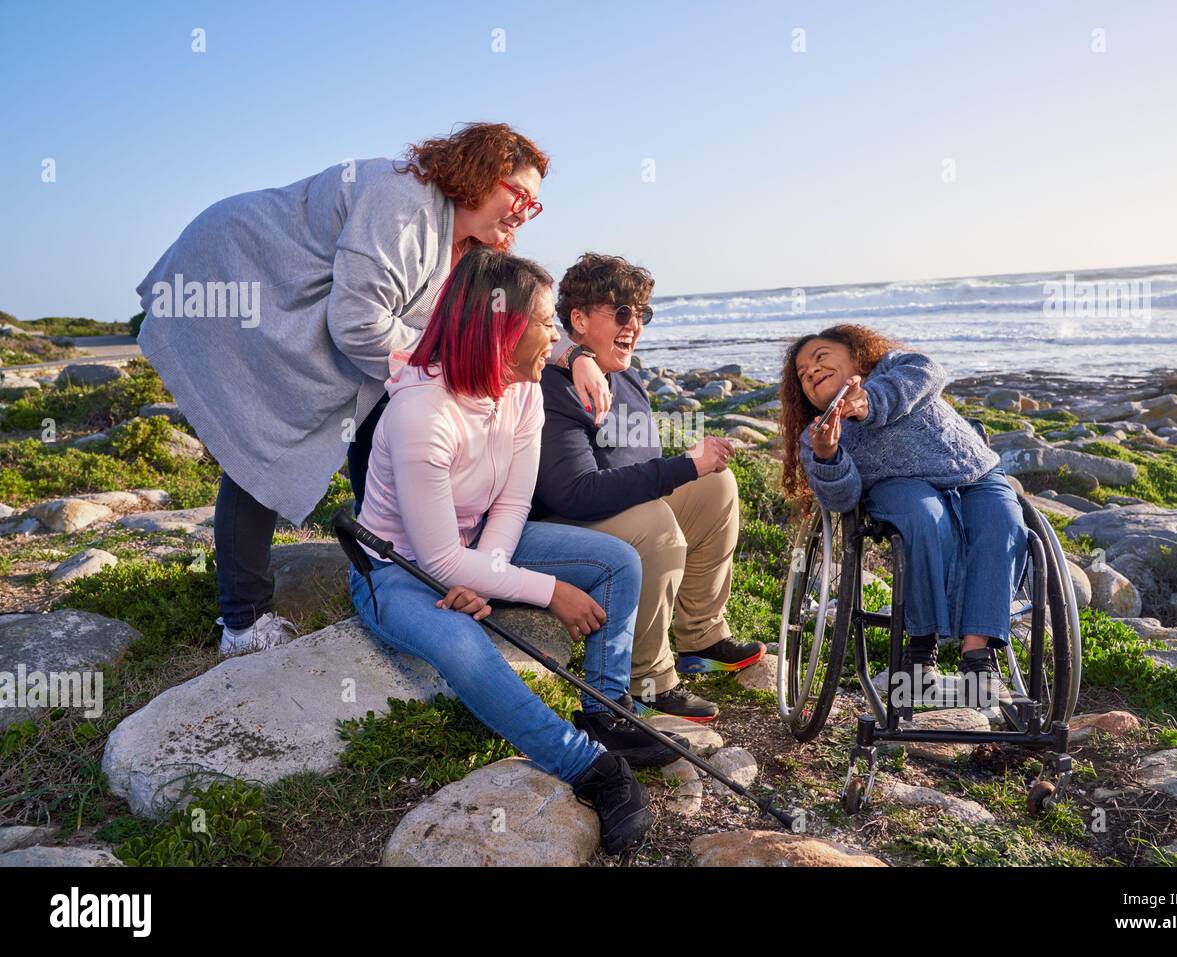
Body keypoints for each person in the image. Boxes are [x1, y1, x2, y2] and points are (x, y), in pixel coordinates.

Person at [134, 123, 612, 657]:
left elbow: (503, 322)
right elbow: (361, 324)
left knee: (390, 399)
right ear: (477, 175)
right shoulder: (404, 205)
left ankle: (388, 558)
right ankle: (242, 625)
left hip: (309, 302)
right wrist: (450, 363)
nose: (524, 211)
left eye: (534, 205)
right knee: (263, 446)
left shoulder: (467, 242)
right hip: (241, 273)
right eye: (518, 194)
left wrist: (574, 355)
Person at [349, 246, 681, 854]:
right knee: (456, 639)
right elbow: (440, 561)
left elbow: (510, 504)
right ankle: (589, 766)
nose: (557, 338)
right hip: (400, 566)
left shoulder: (520, 388)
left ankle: (605, 711)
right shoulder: (422, 415)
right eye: (547, 322)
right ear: (502, 328)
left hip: (479, 542)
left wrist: (494, 575)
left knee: (619, 561)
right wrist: (547, 591)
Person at [531, 253, 765, 724]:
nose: (634, 324)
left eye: (642, 314)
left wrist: (688, 468)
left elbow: (636, 462)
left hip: (609, 505)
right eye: (621, 312)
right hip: (563, 524)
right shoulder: (552, 383)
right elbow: (573, 493)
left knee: (716, 485)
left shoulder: (626, 376)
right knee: (656, 522)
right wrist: (679, 468)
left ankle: (700, 637)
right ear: (577, 319)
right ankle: (649, 681)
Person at [779, 324, 1028, 708]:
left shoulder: (895, 368)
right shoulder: (817, 435)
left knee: (1004, 523)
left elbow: (929, 373)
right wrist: (829, 457)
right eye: (803, 373)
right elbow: (842, 498)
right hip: (899, 487)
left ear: (857, 358)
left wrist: (866, 403)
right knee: (922, 518)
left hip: (971, 470)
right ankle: (920, 651)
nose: (811, 371)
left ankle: (978, 658)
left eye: (821, 358)